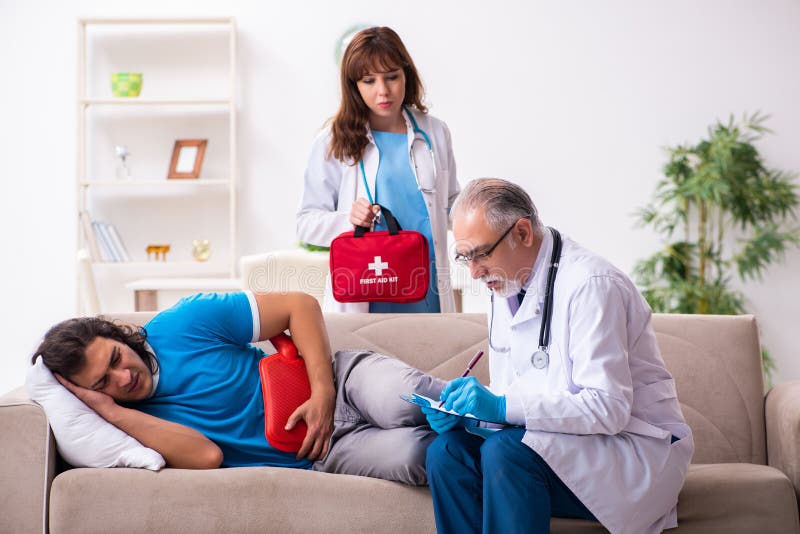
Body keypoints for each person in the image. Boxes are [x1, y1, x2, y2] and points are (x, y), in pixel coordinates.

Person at [422, 178, 694, 534]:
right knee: (447, 452)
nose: (474, 272)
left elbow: (608, 408)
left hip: (628, 453)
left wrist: (500, 407)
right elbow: (521, 390)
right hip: (559, 442)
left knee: (505, 452)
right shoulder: (506, 285)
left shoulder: (592, 284)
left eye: (482, 254)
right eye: (465, 257)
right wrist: (467, 414)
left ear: (522, 233)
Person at [33, 290, 444, 483]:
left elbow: (298, 306)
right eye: (103, 383)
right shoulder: (132, 426)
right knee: (418, 454)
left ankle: (485, 414)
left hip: (343, 381)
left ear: (119, 335)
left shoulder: (185, 322)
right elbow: (208, 456)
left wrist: (322, 393)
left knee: (406, 404)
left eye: (115, 359)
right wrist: (110, 412)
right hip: (324, 452)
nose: (123, 378)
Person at [296, 26, 460, 313]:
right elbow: (306, 224)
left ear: (407, 74)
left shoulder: (434, 132)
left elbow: (451, 206)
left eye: (392, 76)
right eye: (369, 81)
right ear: (354, 86)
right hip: (368, 293)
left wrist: (490, 211)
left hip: (428, 291)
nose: (383, 91)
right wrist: (349, 220)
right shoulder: (332, 140)